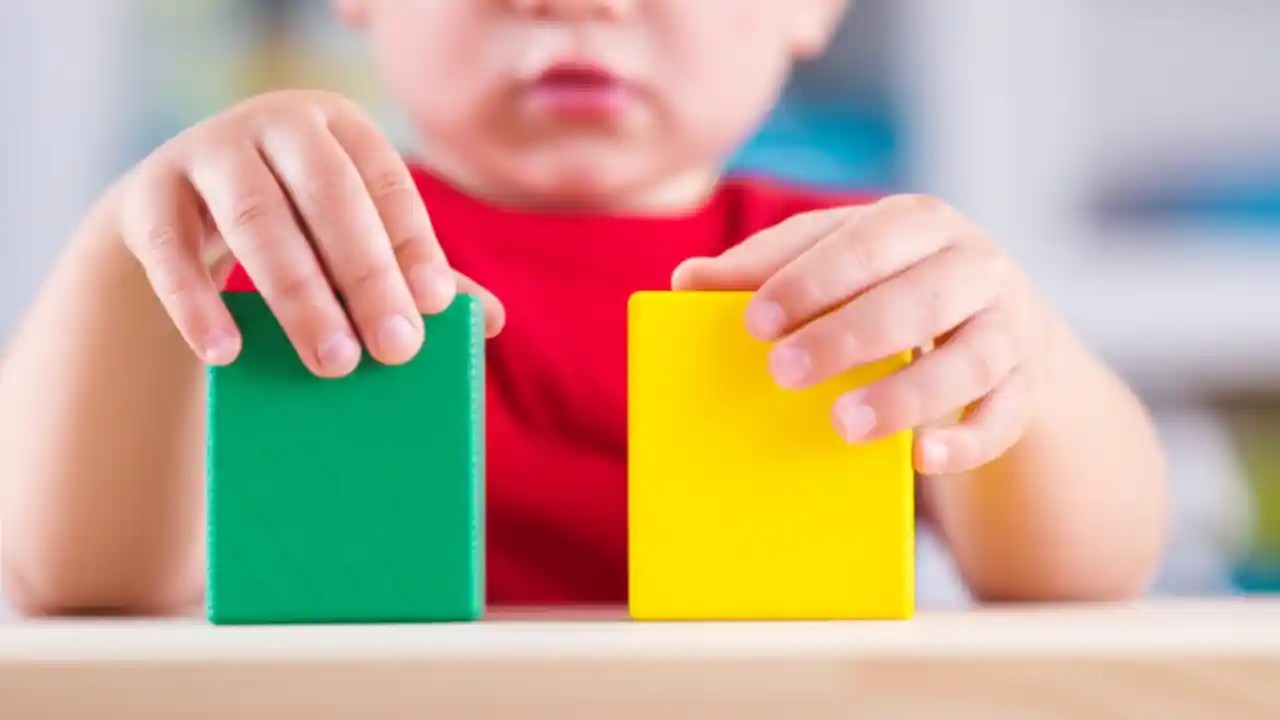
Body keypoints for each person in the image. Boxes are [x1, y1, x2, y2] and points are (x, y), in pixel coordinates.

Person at [0, 0, 1166, 614]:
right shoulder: (292, 249)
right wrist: (129, 242)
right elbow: (81, 582)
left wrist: (1015, 345)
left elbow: (1078, 574)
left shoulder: (868, 271)